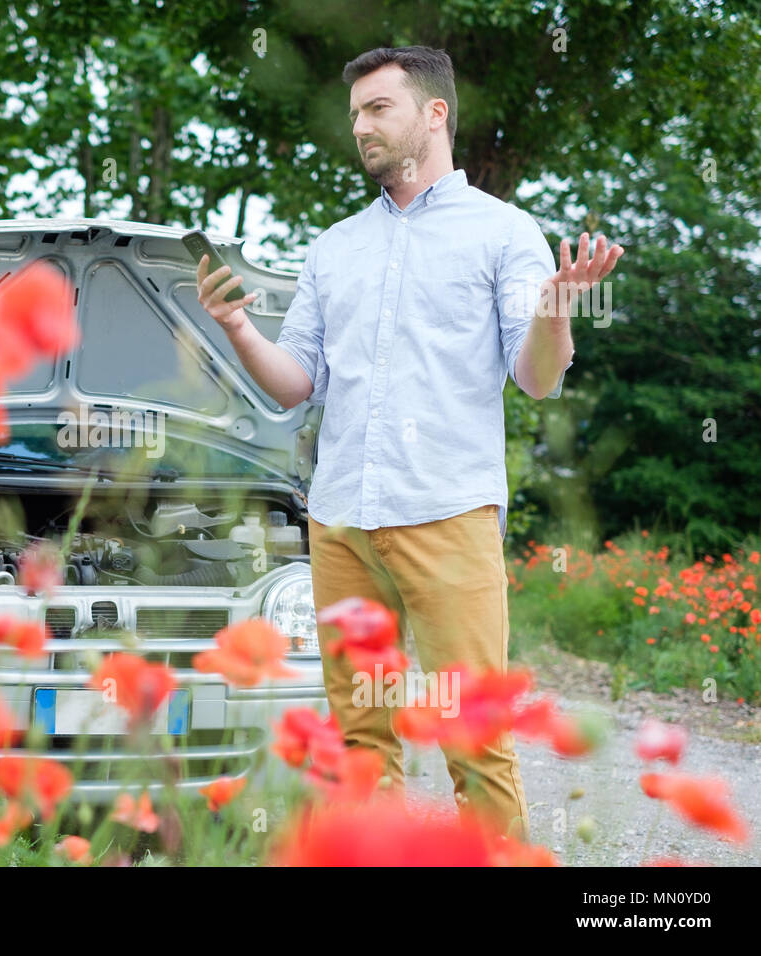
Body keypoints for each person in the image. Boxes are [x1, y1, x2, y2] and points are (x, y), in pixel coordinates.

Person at [196, 45, 624, 840]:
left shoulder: (504, 233)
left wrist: (557, 310)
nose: (361, 125)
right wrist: (237, 329)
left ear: (435, 115)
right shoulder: (333, 248)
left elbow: (536, 378)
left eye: (378, 108)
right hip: (340, 523)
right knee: (360, 739)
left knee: (474, 739)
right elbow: (295, 383)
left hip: (448, 514)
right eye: (355, 112)